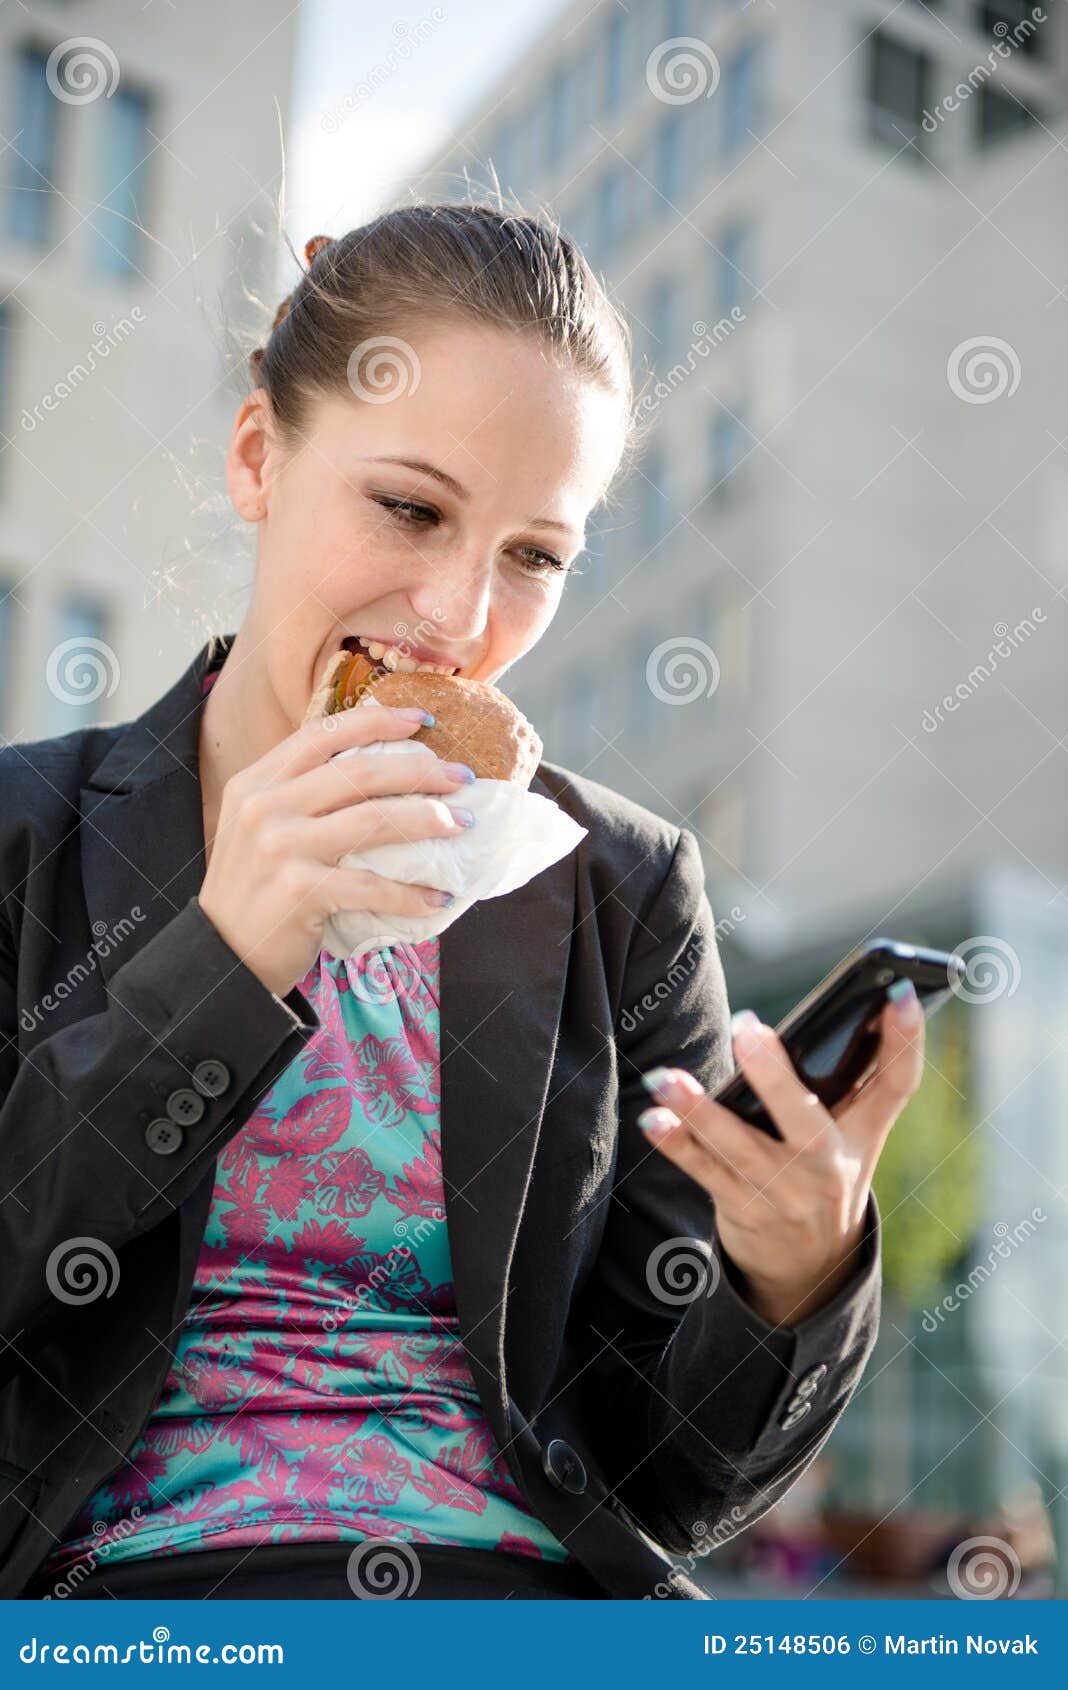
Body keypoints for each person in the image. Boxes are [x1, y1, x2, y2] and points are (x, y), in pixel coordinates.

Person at [0, 205, 926, 1601]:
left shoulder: (620, 890)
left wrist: (790, 1277)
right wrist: (220, 967)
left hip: (528, 1602)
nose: (455, 612)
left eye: (534, 555)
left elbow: (672, 1483)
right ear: (258, 457)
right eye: (411, 508)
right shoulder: (31, 836)